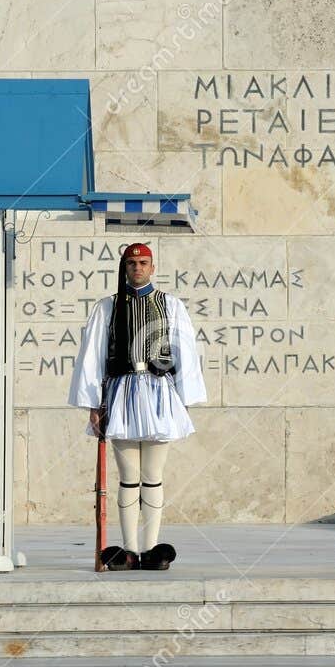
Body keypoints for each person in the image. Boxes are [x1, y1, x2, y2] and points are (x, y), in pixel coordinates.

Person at [68, 242, 206, 571]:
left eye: (143, 263)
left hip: (159, 392)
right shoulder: (108, 307)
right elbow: (93, 356)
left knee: (153, 476)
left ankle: (151, 548)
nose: (138, 268)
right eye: (132, 264)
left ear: (153, 267)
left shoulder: (170, 305)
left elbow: (185, 351)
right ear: (124, 268)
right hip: (122, 392)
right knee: (129, 477)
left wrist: (184, 400)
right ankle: (129, 551)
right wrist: (93, 404)